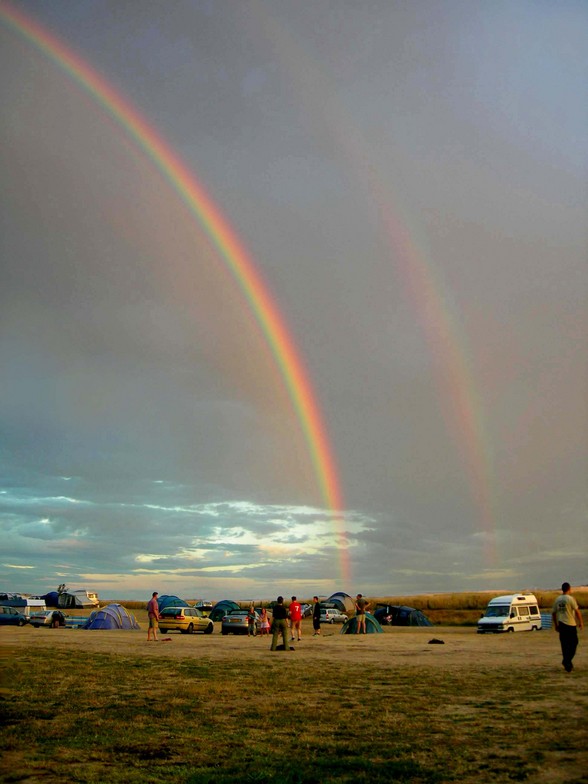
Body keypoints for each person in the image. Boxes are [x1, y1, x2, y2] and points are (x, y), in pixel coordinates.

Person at [552, 582, 583, 672]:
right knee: (574, 643)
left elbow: (553, 613)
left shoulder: (557, 599)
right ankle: (566, 661)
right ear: (569, 589)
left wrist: (556, 624)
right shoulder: (570, 599)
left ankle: (567, 663)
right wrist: (581, 622)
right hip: (570, 624)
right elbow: (577, 611)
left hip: (561, 624)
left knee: (565, 645)